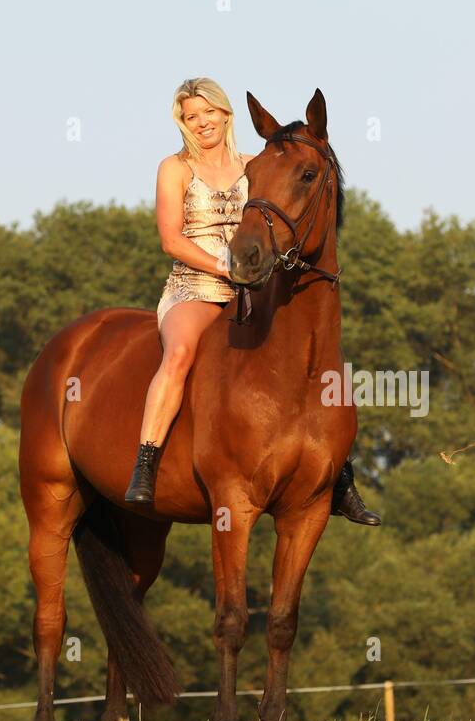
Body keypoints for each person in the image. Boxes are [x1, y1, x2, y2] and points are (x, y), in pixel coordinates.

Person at [124, 77, 379, 526]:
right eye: (191, 117)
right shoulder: (175, 167)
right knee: (180, 353)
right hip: (198, 285)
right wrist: (222, 267)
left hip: (254, 284)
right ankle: (146, 460)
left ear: (225, 114)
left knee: (315, 358)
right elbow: (170, 239)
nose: (201, 123)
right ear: (182, 124)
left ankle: (339, 476)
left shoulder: (256, 164)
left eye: (208, 113)